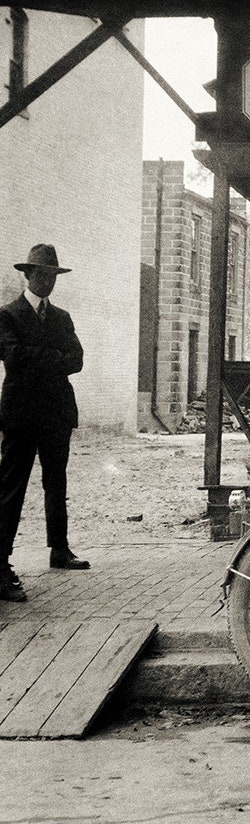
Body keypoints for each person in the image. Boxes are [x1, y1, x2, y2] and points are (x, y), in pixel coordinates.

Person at [0, 244, 88, 603]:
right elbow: (12, 355)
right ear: (28, 275)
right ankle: (0, 564)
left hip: (55, 413)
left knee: (56, 480)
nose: (48, 281)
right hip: (21, 415)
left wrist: (40, 358)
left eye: (52, 276)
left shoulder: (62, 318)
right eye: (41, 275)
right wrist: (54, 357)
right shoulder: (8, 315)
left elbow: (77, 359)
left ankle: (59, 549)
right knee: (11, 487)